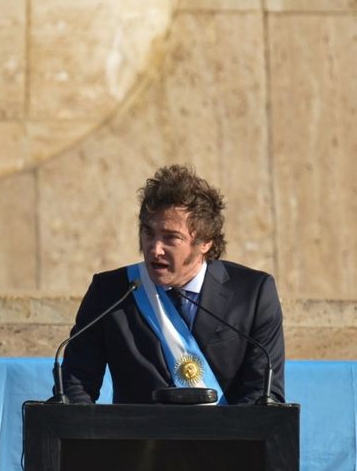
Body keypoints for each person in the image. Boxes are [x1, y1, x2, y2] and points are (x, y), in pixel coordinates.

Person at [60, 165, 285, 405]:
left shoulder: (253, 294)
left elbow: (264, 394)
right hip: (135, 430)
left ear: (205, 242)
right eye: (148, 233)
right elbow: (75, 386)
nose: (154, 249)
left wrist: (226, 430)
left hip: (228, 430)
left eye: (171, 238)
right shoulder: (111, 292)